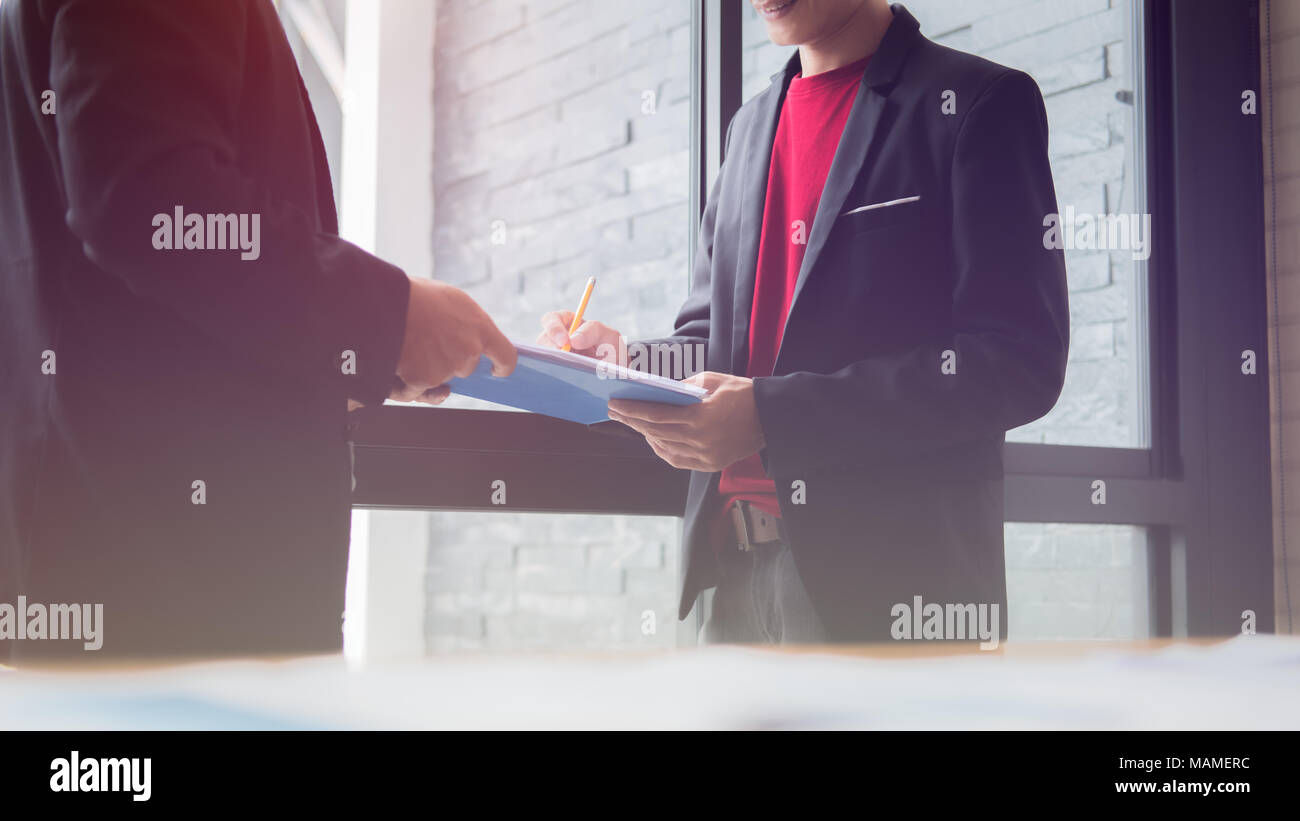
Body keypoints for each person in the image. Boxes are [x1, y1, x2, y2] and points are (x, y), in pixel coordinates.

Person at [539, 0, 1069, 643]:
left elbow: (1017, 362)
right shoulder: (749, 127)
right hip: (731, 576)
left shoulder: (978, 101)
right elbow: (714, 341)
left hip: (894, 585)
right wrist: (624, 364)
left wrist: (771, 416)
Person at [0, 0, 515, 660]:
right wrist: (392, 318)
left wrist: (350, 354)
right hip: (169, 566)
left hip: (107, 539)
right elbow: (148, 201)